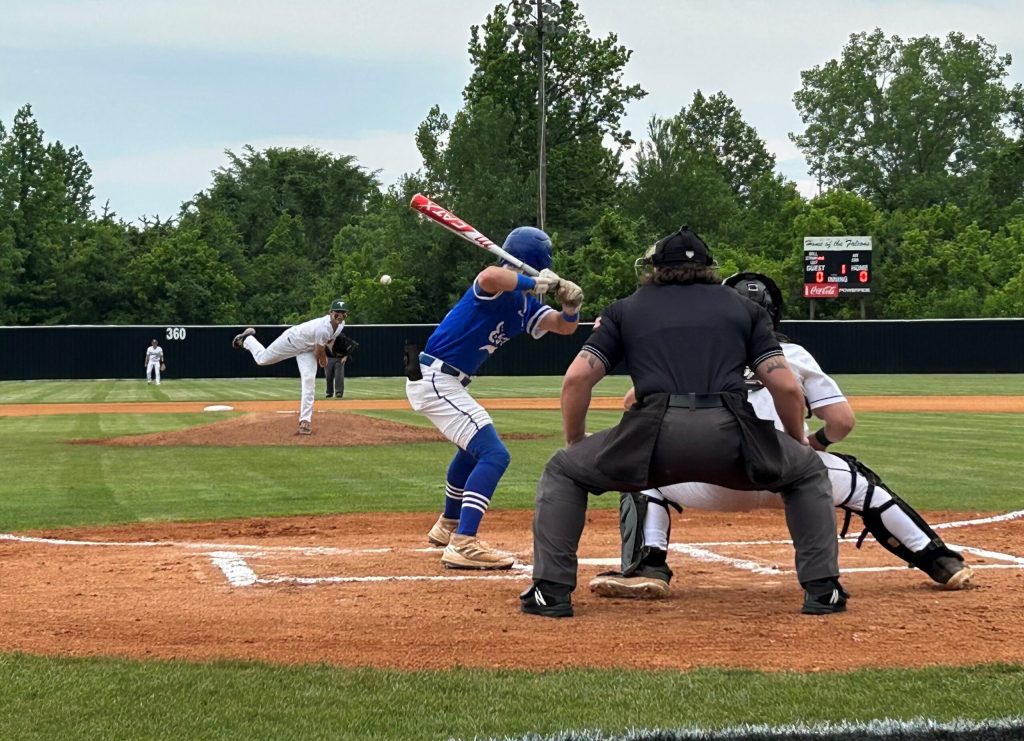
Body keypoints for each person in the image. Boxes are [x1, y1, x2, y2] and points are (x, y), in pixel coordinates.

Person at [521, 227, 848, 619]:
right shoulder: (747, 310)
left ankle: (551, 593)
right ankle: (822, 590)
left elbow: (577, 379)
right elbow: (787, 388)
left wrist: (575, 440)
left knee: (563, 470)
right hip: (733, 437)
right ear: (709, 268)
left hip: (652, 440)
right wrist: (795, 441)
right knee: (809, 471)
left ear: (654, 268)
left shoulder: (625, 309)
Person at [590, 272, 974, 599]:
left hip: (706, 478)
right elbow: (842, 421)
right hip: (793, 479)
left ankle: (648, 566)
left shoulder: (692, 352)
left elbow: (631, 404)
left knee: (642, 475)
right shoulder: (795, 355)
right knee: (863, 487)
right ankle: (939, 560)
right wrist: (813, 445)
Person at [407, 226, 583, 570]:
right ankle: (464, 543)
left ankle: (447, 526)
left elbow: (564, 327)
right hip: (437, 378)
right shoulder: (495, 287)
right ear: (538, 261)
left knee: (471, 451)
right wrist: (535, 283)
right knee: (494, 454)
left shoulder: (524, 305)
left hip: (445, 381)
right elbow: (490, 275)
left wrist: (570, 305)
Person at [232, 300, 349, 435]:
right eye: (337, 312)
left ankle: (305, 421)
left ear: (347, 314)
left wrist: (335, 350)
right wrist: (324, 361)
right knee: (262, 359)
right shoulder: (323, 327)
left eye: (343, 313)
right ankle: (247, 339)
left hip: (307, 349)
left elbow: (329, 340)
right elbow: (319, 351)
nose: (340, 315)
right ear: (330, 313)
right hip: (291, 341)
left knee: (309, 381)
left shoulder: (341, 326)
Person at [324, 332, 354, 398]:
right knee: (328, 376)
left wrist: (345, 356)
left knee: (338, 376)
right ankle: (329, 392)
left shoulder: (340, 338)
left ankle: (338, 392)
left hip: (339, 358)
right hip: (328, 358)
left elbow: (352, 344)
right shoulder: (323, 338)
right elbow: (321, 349)